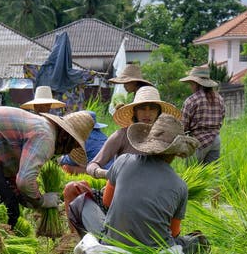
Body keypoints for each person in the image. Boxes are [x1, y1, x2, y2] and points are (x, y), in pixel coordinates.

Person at [71, 114, 209, 254]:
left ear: (147, 142)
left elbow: (107, 201)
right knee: (197, 241)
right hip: (155, 253)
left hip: (111, 245)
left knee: (80, 203)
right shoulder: (180, 185)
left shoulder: (123, 161)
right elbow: (174, 232)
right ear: (177, 152)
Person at [0, 106, 95, 229]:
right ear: (66, 136)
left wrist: (29, 201)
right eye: (72, 146)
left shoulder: (42, 126)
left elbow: (12, 179)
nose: (67, 151)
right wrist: (41, 201)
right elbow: (24, 181)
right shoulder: (46, 137)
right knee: (7, 209)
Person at [63, 87, 180, 235]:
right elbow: (92, 165)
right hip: (113, 196)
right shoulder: (122, 136)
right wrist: (111, 174)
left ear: (158, 113)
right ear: (135, 112)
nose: (147, 113)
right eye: (142, 109)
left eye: (152, 109)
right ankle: (76, 239)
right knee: (72, 189)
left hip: (149, 201)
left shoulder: (163, 142)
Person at [179, 66, 225, 164]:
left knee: (192, 176)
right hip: (215, 140)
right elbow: (221, 119)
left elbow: (183, 126)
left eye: (191, 83)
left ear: (196, 84)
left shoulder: (192, 100)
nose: (190, 86)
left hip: (197, 142)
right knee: (212, 175)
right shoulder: (219, 98)